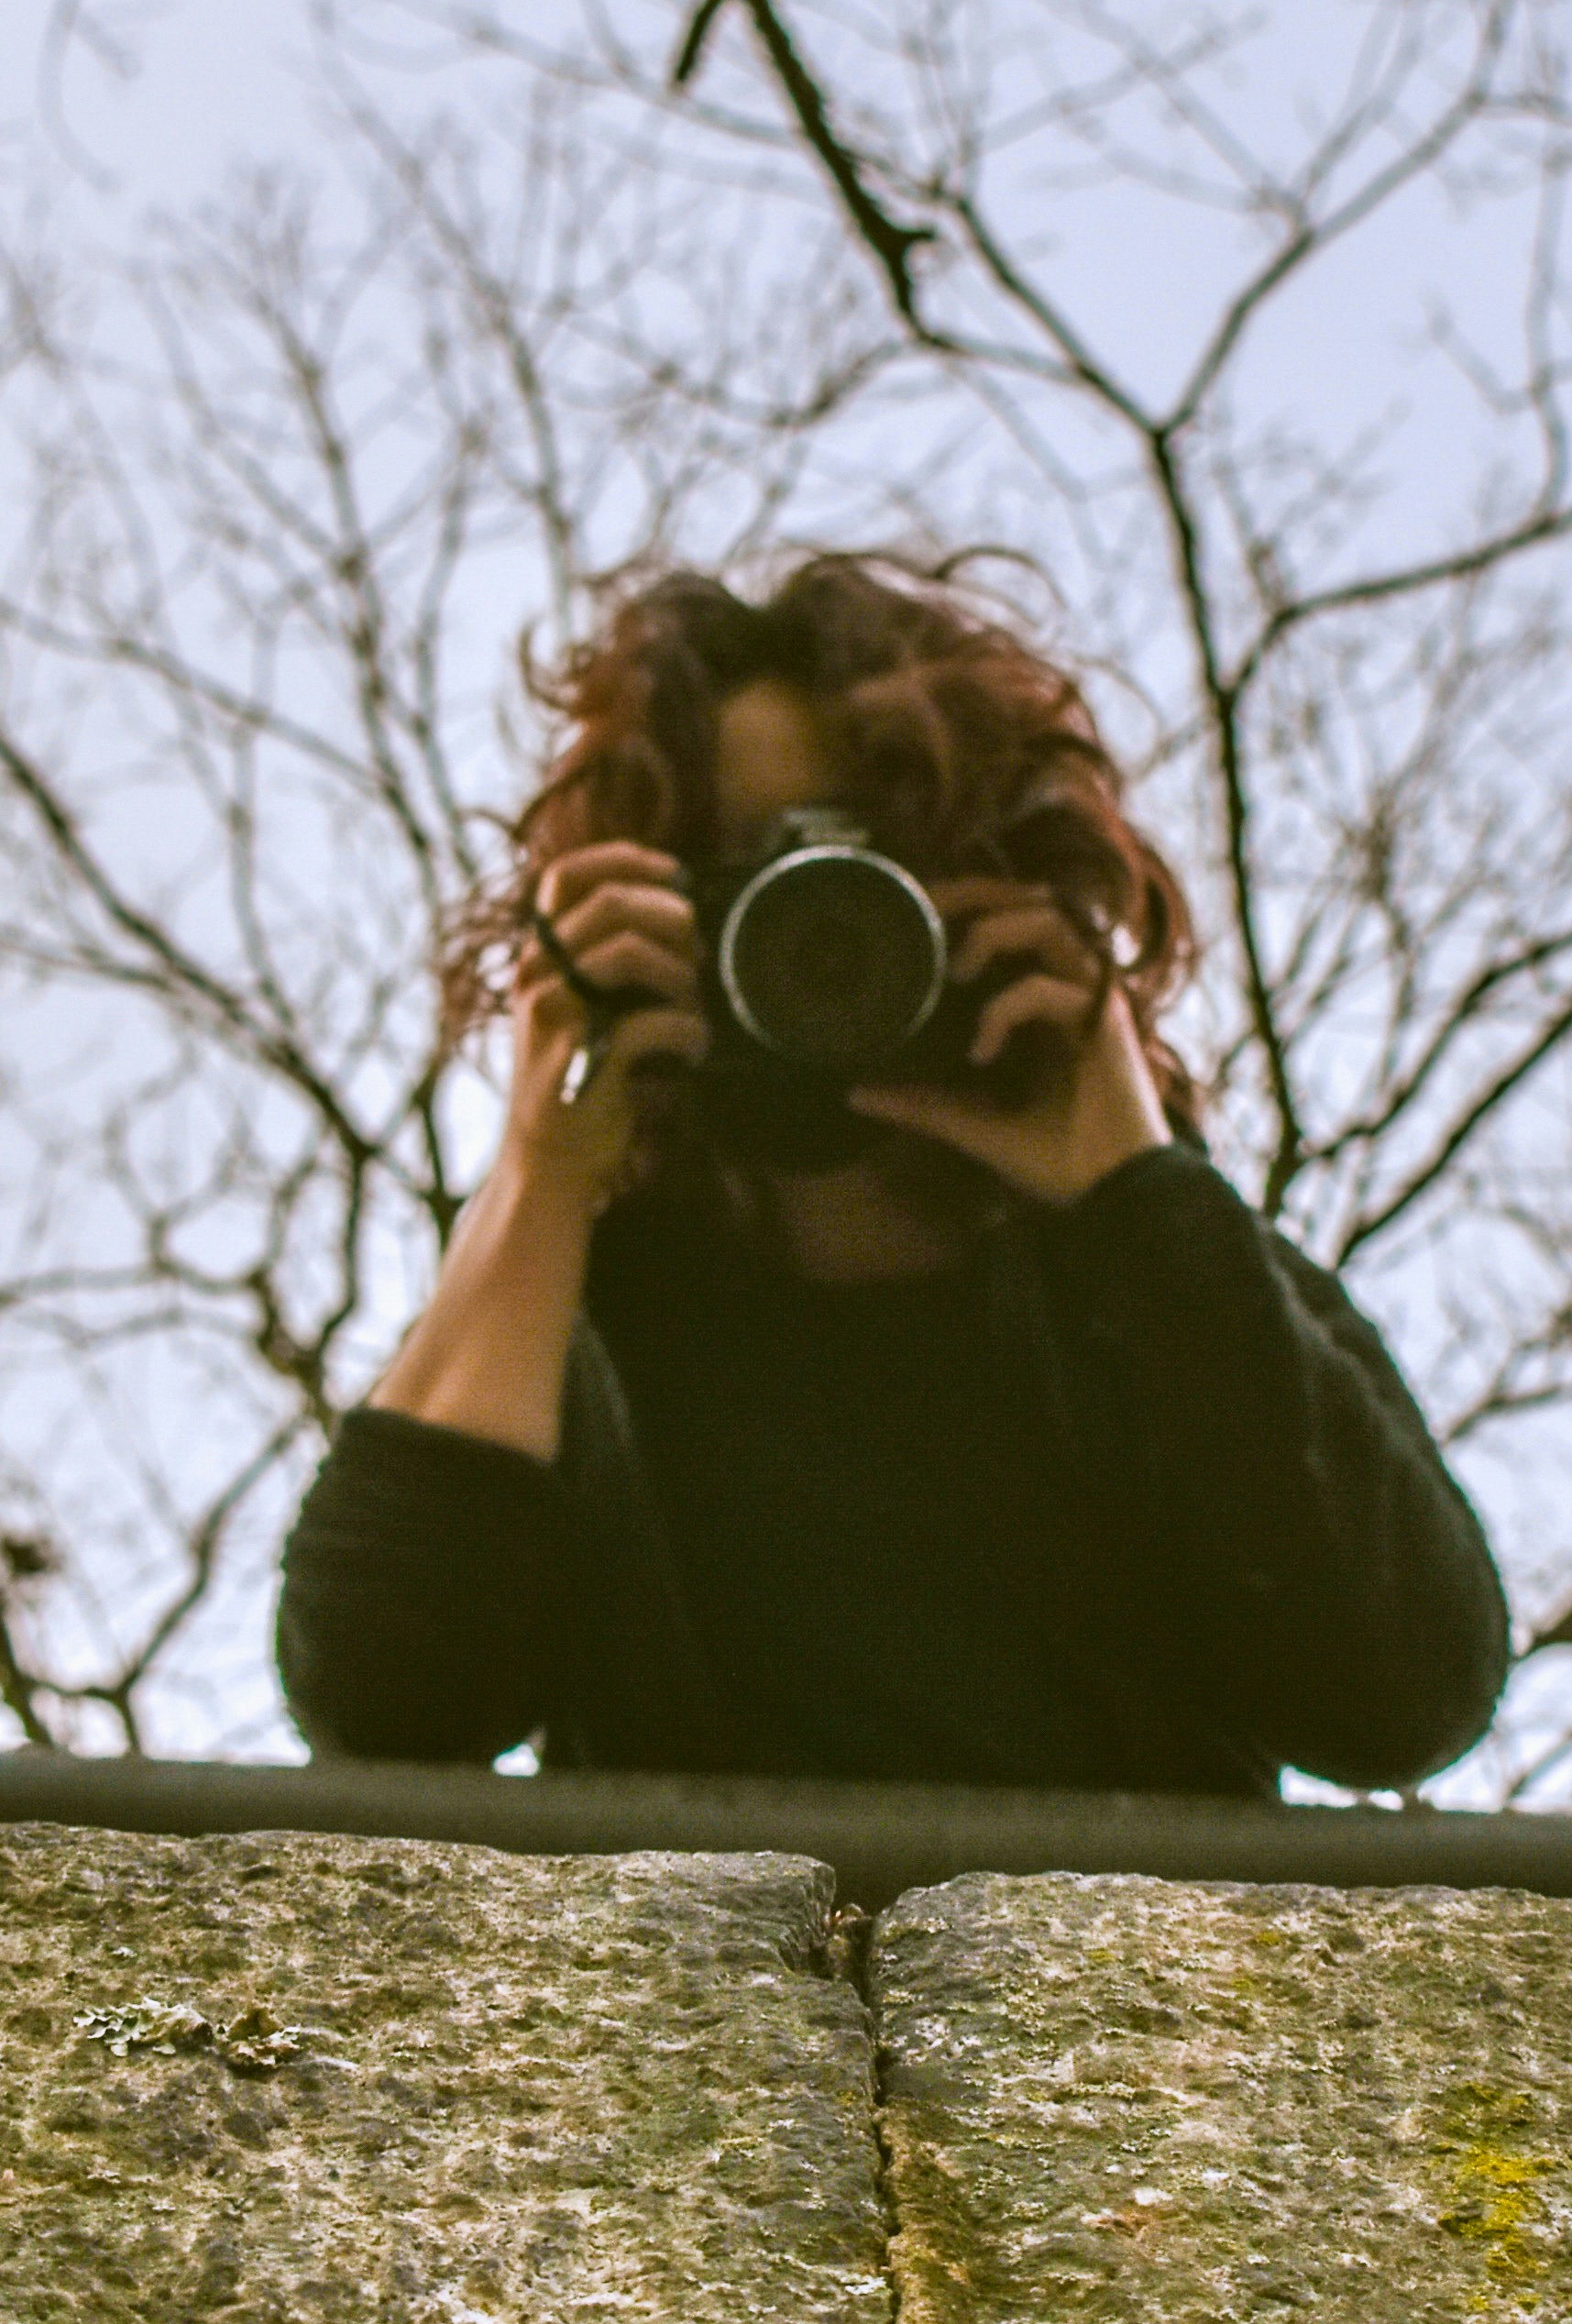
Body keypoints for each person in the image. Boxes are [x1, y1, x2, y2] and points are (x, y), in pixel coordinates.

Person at [274, 554, 1509, 1792]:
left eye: (874, 868)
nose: (816, 924)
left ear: (1002, 884)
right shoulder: (577, 1321)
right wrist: (544, 1176)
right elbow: (384, 1707)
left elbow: (1403, 1698)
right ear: (650, 906)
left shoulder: (1160, 1289)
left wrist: (1137, 1187)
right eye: (750, 874)